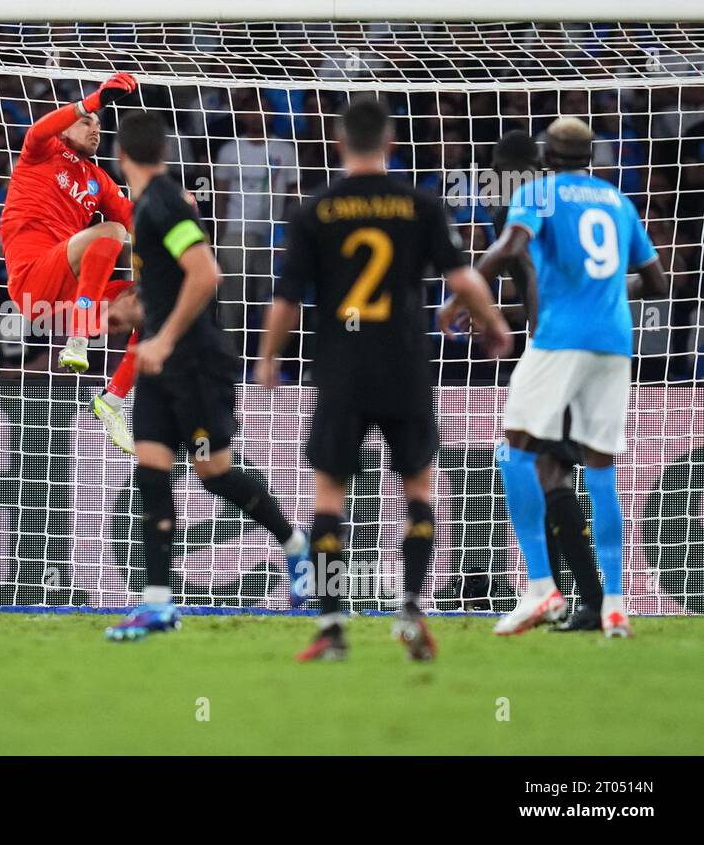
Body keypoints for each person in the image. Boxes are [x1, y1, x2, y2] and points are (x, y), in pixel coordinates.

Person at [258, 98, 510, 662]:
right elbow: (462, 276)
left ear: (341, 144)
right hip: (403, 367)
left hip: (341, 372)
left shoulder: (315, 210)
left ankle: (331, 628)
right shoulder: (417, 204)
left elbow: (287, 298)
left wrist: (268, 358)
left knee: (329, 499)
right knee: (417, 491)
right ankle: (412, 611)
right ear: (391, 144)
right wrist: (493, 325)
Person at [443, 118, 668, 638]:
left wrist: (472, 304)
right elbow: (657, 282)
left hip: (556, 347)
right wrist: (604, 291)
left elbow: (516, 265)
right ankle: (605, 602)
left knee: (530, 461)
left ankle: (551, 590)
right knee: (588, 468)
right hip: (611, 343)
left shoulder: (532, 202)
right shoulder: (617, 201)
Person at [103, 111, 308, 643]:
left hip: (194, 359)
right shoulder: (148, 206)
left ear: (121, 155)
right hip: (160, 359)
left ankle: (295, 546)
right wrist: (127, 316)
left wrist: (165, 337)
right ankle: (158, 604)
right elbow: (173, 287)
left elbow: (206, 272)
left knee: (213, 474)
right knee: (152, 470)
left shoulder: (165, 201)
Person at [485, 130, 606, 632]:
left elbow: (533, 276)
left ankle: (587, 600)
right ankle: (559, 596)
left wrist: (537, 337)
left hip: (554, 348)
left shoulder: (516, 210)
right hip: (593, 342)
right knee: (544, 465)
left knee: (532, 464)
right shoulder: (571, 207)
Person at [0, 71, 140, 454]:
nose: (95, 130)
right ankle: (77, 340)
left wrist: (174, 211)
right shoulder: (40, 151)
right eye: (86, 123)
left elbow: (136, 220)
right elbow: (39, 129)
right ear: (66, 127)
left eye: (99, 126)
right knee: (110, 232)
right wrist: (91, 101)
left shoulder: (99, 180)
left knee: (160, 300)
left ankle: (113, 399)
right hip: (32, 285)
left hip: (67, 296)